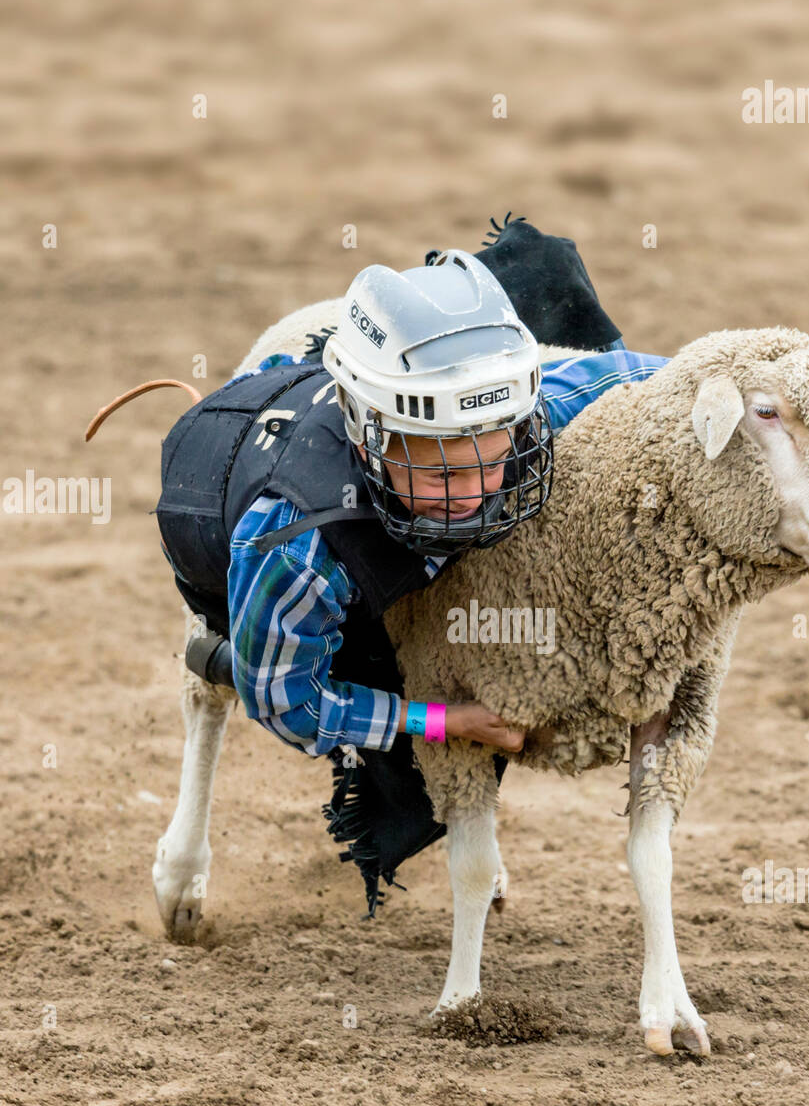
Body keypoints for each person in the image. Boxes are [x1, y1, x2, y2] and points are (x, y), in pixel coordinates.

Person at [165, 243, 667, 765]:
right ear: (367, 437)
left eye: (493, 463)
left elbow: (625, 374)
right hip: (266, 547)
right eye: (437, 473)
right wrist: (442, 721)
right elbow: (291, 707)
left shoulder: (502, 415)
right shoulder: (297, 552)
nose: (472, 497)